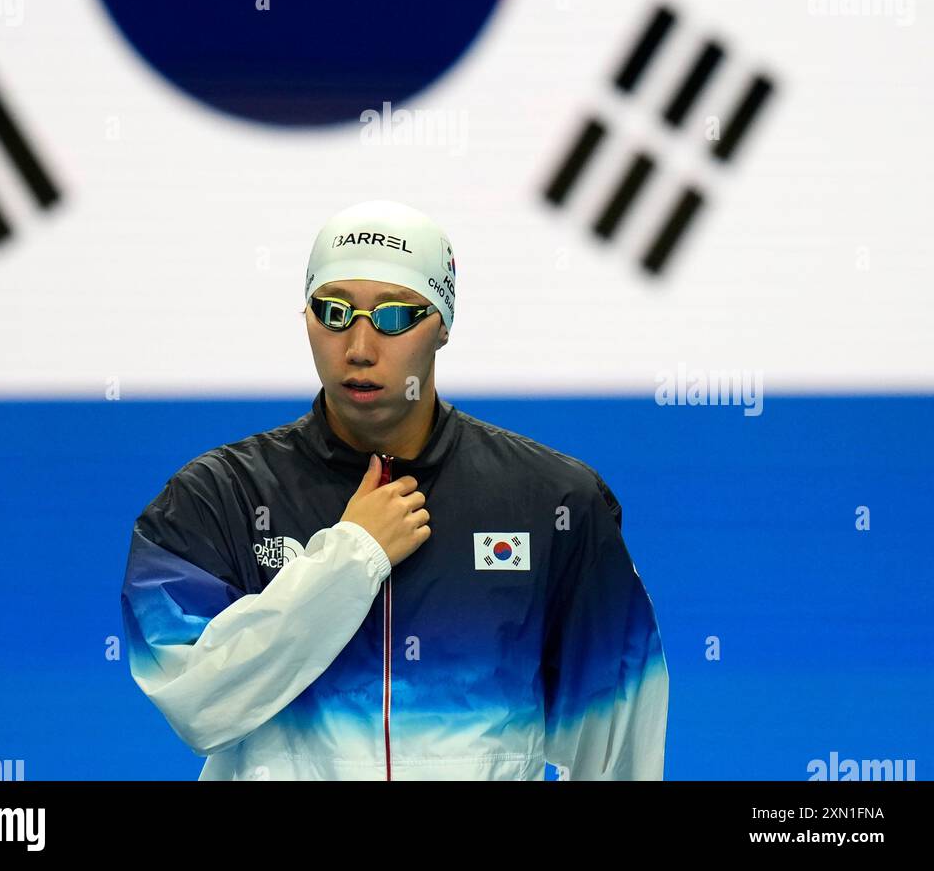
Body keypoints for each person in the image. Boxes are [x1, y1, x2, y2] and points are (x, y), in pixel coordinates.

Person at [120, 198, 669, 780]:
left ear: (443, 325)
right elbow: (197, 706)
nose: (358, 347)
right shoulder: (213, 499)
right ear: (306, 318)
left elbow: (617, 747)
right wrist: (352, 557)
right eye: (333, 313)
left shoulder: (554, 502)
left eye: (393, 317)